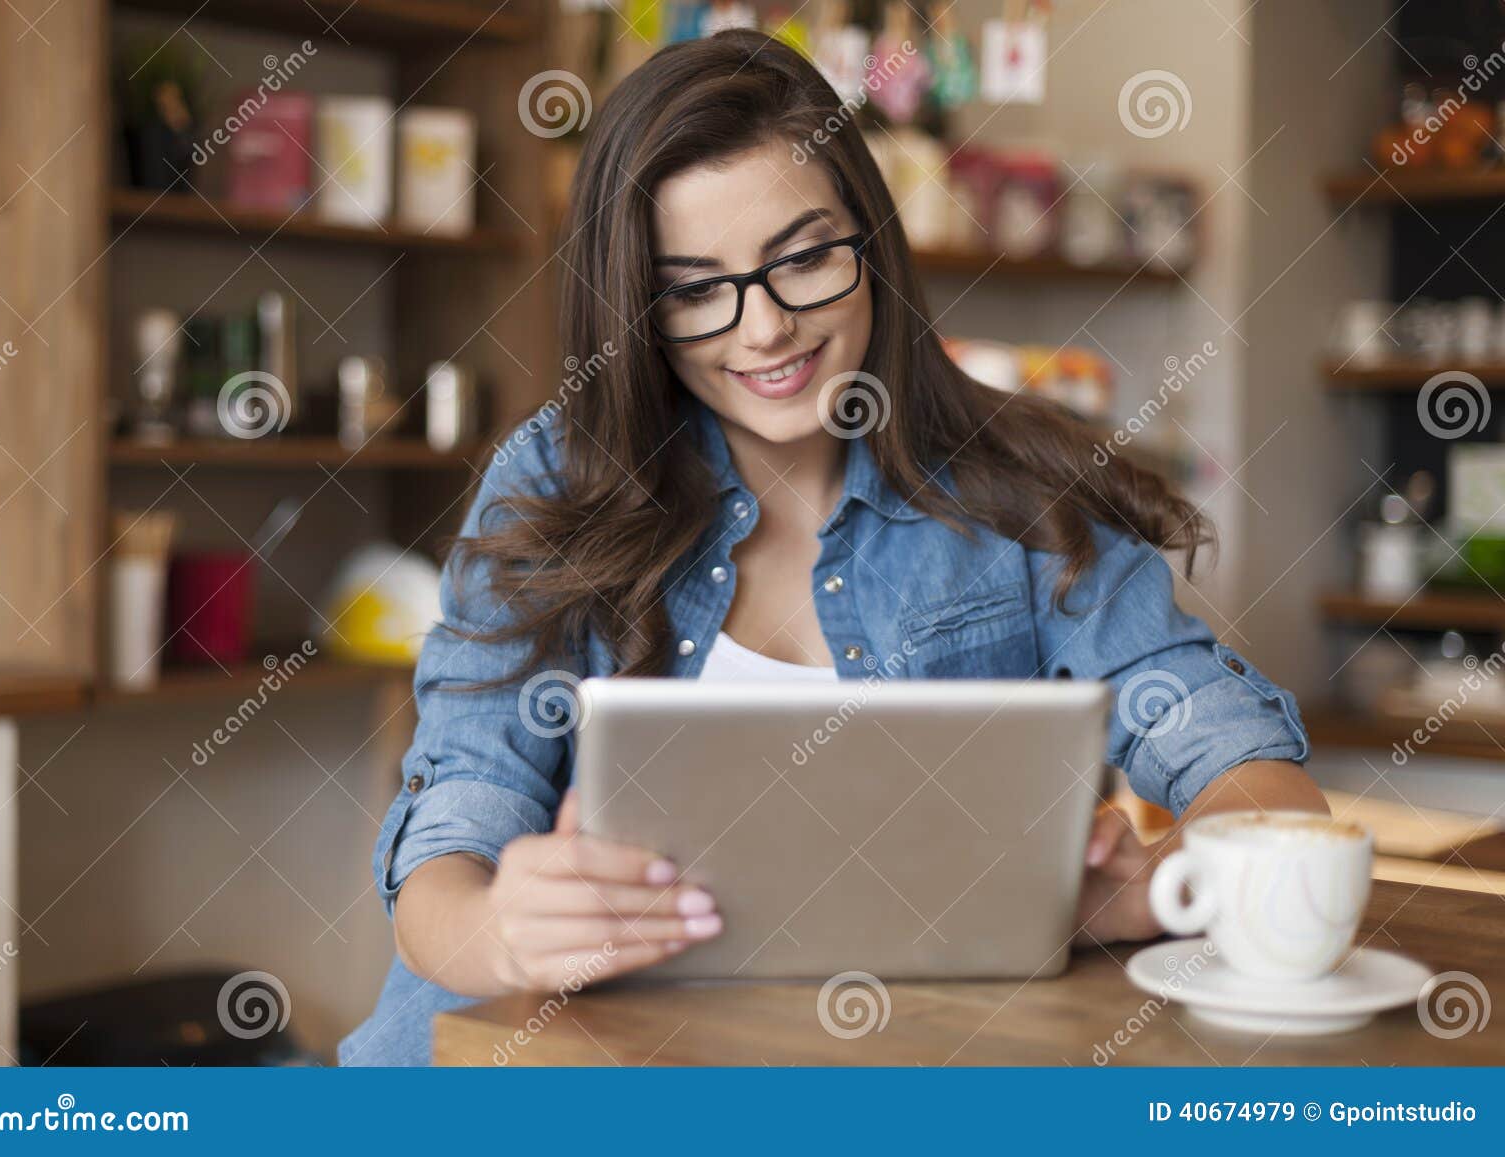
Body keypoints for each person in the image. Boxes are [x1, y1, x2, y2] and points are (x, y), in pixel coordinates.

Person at [338, 30, 1322, 1067]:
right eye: (692, 287)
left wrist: (1164, 883)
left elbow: (1240, 763)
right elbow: (448, 841)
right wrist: (501, 926)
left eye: (804, 257)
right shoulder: (555, 479)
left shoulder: (1020, 491)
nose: (762, 329)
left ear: (873, 242)